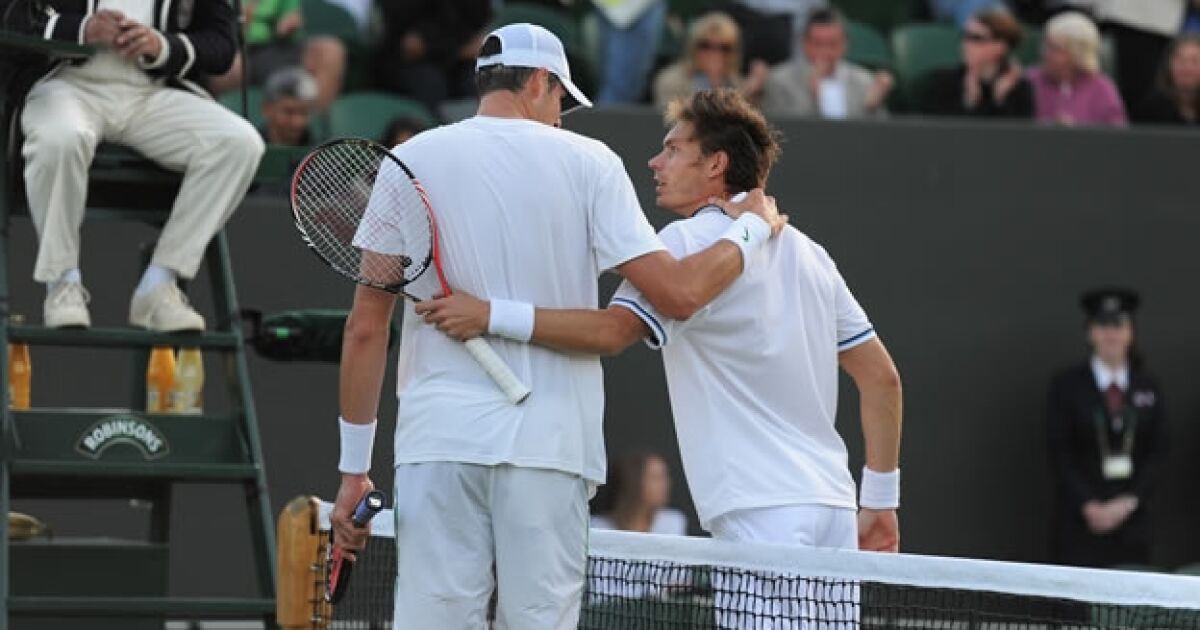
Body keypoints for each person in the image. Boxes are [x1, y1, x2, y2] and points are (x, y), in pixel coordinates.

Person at [329, 24, 785, 629]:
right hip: (548, 448)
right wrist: (752, 227)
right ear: (539, 82)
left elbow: (366, 329)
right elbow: (676, 293)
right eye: (560, 100)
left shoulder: (410, 160)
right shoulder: (590, 162)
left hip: (437, 444)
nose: (561, 116)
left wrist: (352, 471)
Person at [418, 89, 904, 556]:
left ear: (716, 164)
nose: (655, 162)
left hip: (758, 508)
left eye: (673, 150)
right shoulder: (811, 254)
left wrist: (489, 314)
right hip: (834, 509)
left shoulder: (684, 243)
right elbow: (882, 379)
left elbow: (611, 333)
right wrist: (880, 500)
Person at [13, 0, 265, 331]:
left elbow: (221, 44)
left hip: (149, 92)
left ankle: (160, 283)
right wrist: (81, 29)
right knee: (62, 137)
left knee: (239, 143)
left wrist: (162, 45)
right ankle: (61, 282)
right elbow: (12, 18)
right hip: (65, 83)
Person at [1047, 288, 1167, 568]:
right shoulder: (1066, 387)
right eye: (1102, 326)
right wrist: (1091, 506)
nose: (1110, 334)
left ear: (1130, 333)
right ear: (1090, 333)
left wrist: (1127, 503)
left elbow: (1159, 451)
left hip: (1132, 527)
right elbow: (1059, 452)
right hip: (1079, 525)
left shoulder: (1148, 388)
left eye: (1118, 325)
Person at [208, 0, 346, 111]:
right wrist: (241, 27)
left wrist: (289, 23)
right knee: (231, 65)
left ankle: (315, 124)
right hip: (244, 49)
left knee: (330, 50)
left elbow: (292, 17)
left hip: (281, 46)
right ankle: (230, 122)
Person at [759, 8, 893, 120]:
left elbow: (879, 136)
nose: (824, 52)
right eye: (817, 44)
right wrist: (813, 99)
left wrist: (872, 106)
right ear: (804, 43)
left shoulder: (864, 81)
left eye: (832, 45)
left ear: (845, 44)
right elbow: (778, 132)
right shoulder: (779, 80)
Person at [373, 0, 492, 114]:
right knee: (430, 85)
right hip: (405, 62)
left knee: (484, 80)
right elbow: (410, 45)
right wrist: (457, 50)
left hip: (458, 57)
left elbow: (480, 22)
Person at [921, 7, 1034, 118]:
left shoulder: (1019, 89)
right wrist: (970, 102)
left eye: (976, 38)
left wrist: (1000, 100)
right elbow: (937, 131)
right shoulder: (942, 83)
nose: (966, 44)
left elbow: (1018, 134)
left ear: (1000, 47)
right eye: (965, 36)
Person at [1028, 11, 1127, 127]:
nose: (1045, 54)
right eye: (1045, 46)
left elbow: (1118, 135)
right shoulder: (1029, 82)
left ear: (1077, 55)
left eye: (1055, 49)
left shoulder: (1103, 88)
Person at [653, 12, 769, 109]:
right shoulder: (670, 82)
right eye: (706, 45)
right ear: (693, 48)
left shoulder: (741, 86)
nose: (714, 53)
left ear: (733, 53)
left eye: (724, 47)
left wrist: (750, 94)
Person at [591, 452, 688, 536]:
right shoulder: (597, 527)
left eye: (664, 477)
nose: (665, 484)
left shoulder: (672, 522)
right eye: (655, 478)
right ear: (632, 481)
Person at [593, 0, 667, 104]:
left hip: (638, 7)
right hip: (623, 9)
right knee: (619, 87)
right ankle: (605, 120)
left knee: (632, 85)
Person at [1133, 34, 1200, 126]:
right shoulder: (1151, 109)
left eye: (1194, 61)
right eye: (1180, 60)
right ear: (1168, 65)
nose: (1187, 68)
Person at [259, 67, 318, 146]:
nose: (297, 122)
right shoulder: (251, 148)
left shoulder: (320, 152)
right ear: (267, 109)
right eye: (289, 112)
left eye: (304, 112)